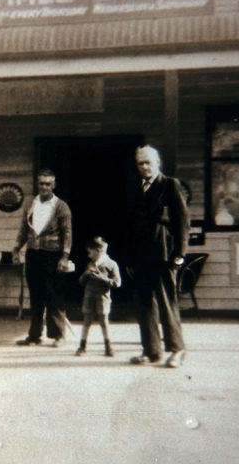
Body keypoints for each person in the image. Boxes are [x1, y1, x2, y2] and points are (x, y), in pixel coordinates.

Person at [125, 145, 190, 368]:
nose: (144, 167)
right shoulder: (136, 188)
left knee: (166, 302)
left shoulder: (170, 185)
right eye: (140, 163)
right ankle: (151, 350)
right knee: (143, 303)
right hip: (140, 255)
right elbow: (131, 224)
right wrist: (129, 258)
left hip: (162, 253)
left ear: (157, 163)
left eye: (148, 163)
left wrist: (180, 253)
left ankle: (177, 350)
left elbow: (182, 221)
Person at [12, 168, 72, 347]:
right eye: (41, 183)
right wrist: (16, 249)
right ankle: (34, 335)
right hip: (33, 255)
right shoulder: (31, 203)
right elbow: (24, 229)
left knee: (54, 295)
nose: (44, 187)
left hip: (52, 256)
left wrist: (64, 257)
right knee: (36, 295)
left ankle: (58, 335)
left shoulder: (61, 206)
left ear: (54, 185)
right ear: (37, 184)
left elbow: (68, 233)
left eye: (48, 184)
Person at [75, 236, 121, 357]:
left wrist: (103, 278)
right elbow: (81, 282)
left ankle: (108, 347)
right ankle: (82, 346)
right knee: (86, 322)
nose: (88, 255)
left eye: (90, 252)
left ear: (98, 250)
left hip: (103, 298)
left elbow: (117, 283)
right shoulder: (90, 264)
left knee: (104, 322)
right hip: (88, 297)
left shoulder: (111, 264)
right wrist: (85, 274)